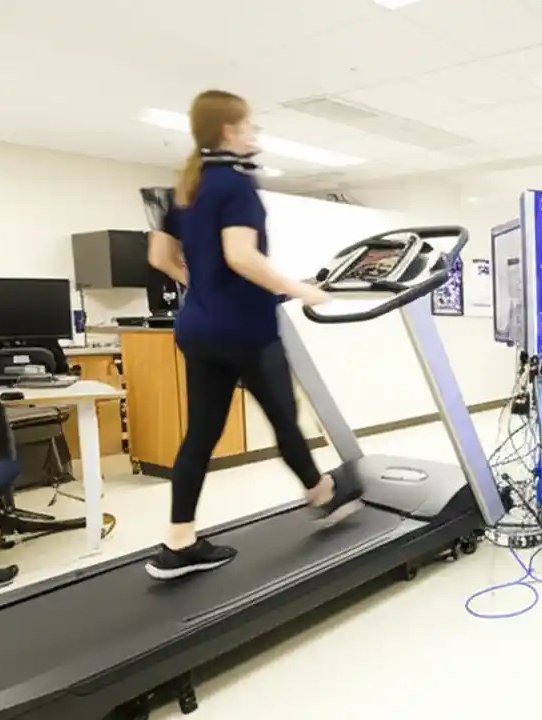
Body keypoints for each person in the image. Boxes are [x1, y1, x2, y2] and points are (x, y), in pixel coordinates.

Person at [143, 89, 363, 581]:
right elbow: (242, 256)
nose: (256, 132)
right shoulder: (236, 188)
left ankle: (178, 542)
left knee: (199, 434)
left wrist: (204, 288)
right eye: (251, 125)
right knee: (285, 417)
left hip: (198, 329)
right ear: (229, 131)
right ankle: (322, 493)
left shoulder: (185, 188)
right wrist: (302, 290)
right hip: (245, 329)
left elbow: (160, 258)